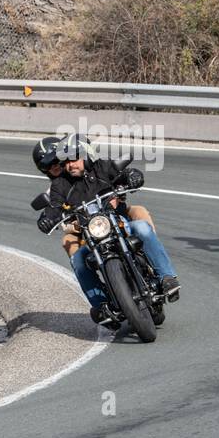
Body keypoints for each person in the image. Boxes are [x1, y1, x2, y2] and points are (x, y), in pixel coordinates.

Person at [35, 135, 180, 324]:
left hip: (117, 221)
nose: (70, 165)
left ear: (86, 155)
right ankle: (101, 305)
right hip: (91, 232)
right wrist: (47, 218)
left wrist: (133, 175)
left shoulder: (102, 167)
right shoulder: (60, 184)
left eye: (74, 159)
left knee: (142, 228)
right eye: (66, 162)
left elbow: (122, 174)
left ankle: (166, 276)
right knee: (78, 259)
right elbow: (54, 206)